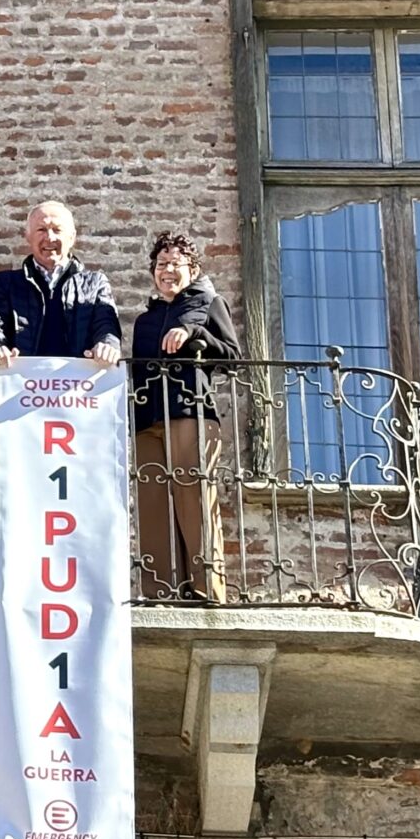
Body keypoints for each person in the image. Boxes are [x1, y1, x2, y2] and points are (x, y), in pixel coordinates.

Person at [129, 230, 241, 602]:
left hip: (190, 412)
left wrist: (196, 335)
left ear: (192, 268)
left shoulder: (208, 303)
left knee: (194, 501)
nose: (167, 271)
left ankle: (208, 591)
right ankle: (160, 592)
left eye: (175, 264)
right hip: (147, 420)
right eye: (161, 265)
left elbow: (232, 355)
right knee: (153, 504)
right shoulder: (146, 320)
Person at [0, 200, 122, 368]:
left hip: (80, 386)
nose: (50, 238)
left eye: (57, 230)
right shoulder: (5, 283)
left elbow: (106, 324)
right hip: (23, 386)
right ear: (28, 236)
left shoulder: (95, 283)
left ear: (72, 237)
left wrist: (106, 345)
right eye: (41, 230)